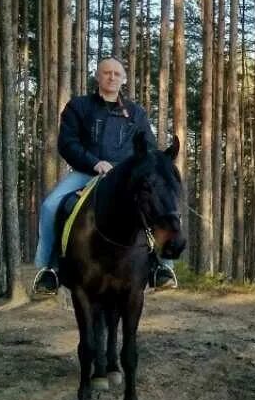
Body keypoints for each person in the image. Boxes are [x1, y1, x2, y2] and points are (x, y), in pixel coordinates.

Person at [31, 57, 177, 296]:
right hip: (86, 172)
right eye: (106, 73)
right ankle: (49, 269)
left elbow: (148, 149)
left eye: (117, 74)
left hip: (125, 178)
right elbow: (67, 143)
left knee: (157, 204)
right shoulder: (78, 107)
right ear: (97, 76)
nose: (112, 77)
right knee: (51, 206)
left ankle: (161, 267)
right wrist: (94, 162)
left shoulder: (137, 113)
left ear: (124, 79)